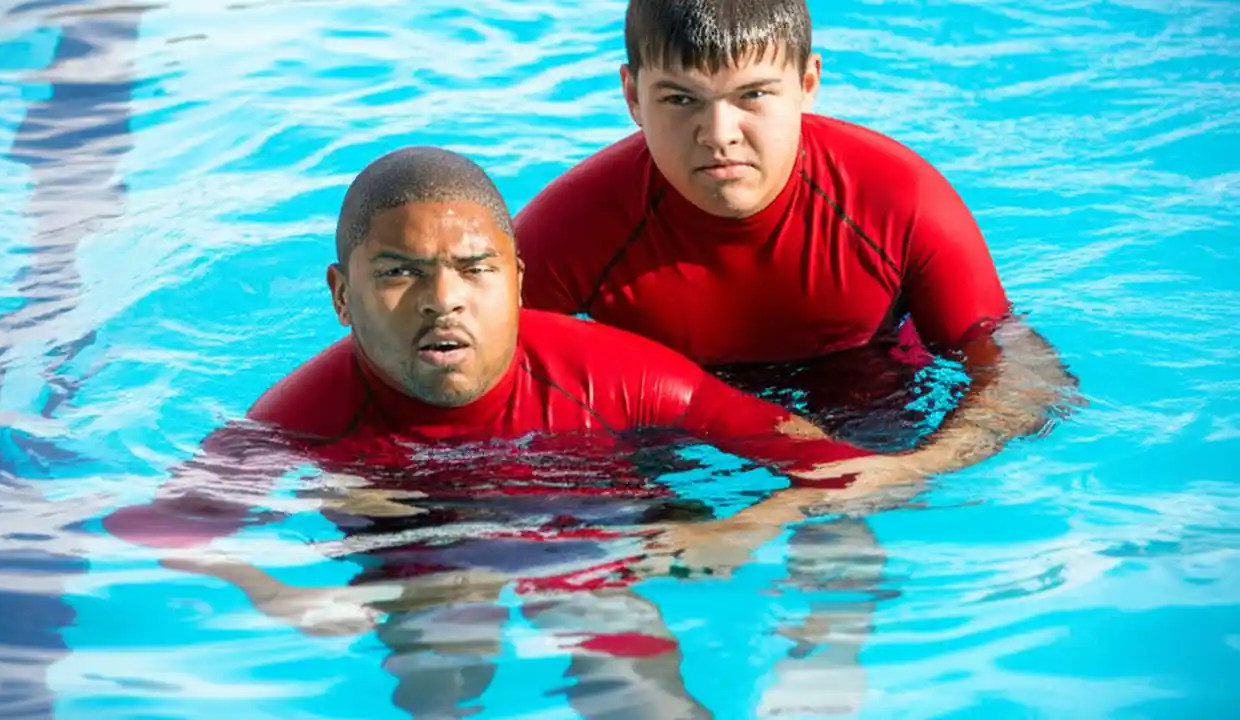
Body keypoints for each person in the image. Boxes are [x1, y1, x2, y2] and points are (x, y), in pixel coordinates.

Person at [105, 146, 919, 719]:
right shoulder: (306, 416)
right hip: (415, 548)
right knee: (436, 666)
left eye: (474, 268)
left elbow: (838, 465)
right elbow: (152, 527)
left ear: (519, 282)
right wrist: (281, 593)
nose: (443, 299)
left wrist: (746, 526)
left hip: (585, 541)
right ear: (340, 296)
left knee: (635, 681)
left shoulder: (620, 377)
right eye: (398, 273)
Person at [513, 0, 1077, 471]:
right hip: (670, 432)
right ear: (633, 97)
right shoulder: (572, 226)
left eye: (753, 95)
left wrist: (909, 469)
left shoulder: (899, 201)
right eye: (681, 100)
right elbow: (471, 376)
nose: (719, 135)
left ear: (806, 85)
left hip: (868, 407)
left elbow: (1026, 380)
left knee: (839, 559)